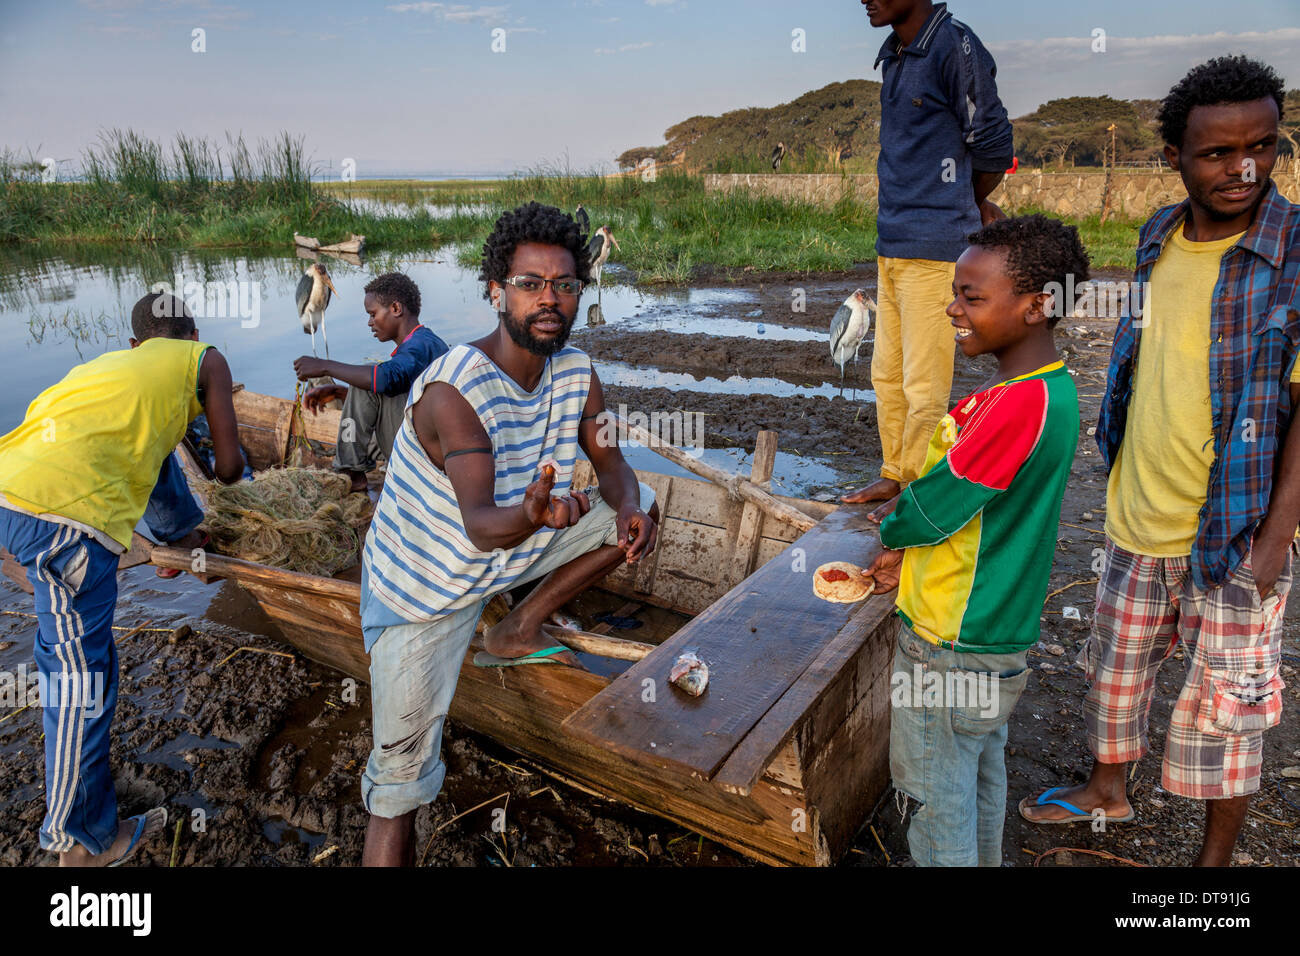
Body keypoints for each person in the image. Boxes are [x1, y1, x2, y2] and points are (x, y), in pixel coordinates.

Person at [1019, 56, 1300, 867]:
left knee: (1227, 709)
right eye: (1216, 153)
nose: (1242, 168)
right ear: (1172, 154)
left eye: (1262, 146)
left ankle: (1211, 871)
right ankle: (1109, 788)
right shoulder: (1156, 237)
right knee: (1115, 667)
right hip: (1139, 512)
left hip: (1238, 525)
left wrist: (1276, 536)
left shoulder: (1294, 252)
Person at [359, 202, 660, 866]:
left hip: (506, 544)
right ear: (496, 291)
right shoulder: (452, 391)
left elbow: (611, 464)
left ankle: (516, 628)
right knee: (399, 789)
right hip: (425, 587)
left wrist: (631, 506)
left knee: (643, 508)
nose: (549, 299)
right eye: (530, 284)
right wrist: (531, 516)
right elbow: (480, 526)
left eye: (565, 285)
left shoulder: (578, 373)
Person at [861, 214, 1086, 866]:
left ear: (1037, 306)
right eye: (956, 291)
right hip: (998, 638)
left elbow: (934, 508)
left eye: (972, 297)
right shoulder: (1054, 392)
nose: (952, 307)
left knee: (932, 797)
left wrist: (894, 526)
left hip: (949, 643)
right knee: (981, 773)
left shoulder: (1013, 407)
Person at [0, 292, 244, 866]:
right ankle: (78, 847)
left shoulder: (110, 372)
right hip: (63, 529)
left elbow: (155, 468)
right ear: (193, 334)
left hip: (10, 496)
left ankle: (86, 822)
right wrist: (229, 491)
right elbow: (230, 469)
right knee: (78, 690)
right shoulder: (204, 360)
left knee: (88, 671)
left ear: (137, 345)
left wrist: (182, 537)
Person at [844, 0, 1014, 520]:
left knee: (923, 383)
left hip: (936, 246)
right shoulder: (894, 54)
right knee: (886, 376)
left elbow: (992, 140)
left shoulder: (953, 44)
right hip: (891, 244)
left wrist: (970, 202)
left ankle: (915, 491)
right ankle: (894, 471)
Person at [293, 272, 448, 493]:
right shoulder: (423, 342)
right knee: (366, 381)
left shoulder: (421, 346)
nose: (370, 322)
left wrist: (324, 366)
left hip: (425, 455)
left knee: (367, 380)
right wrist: (340, 392)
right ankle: (353, 465)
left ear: (395, 309)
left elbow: (384, 380)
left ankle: (350, 472)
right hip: (422, 444)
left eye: (373, 314)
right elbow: (395, 395)